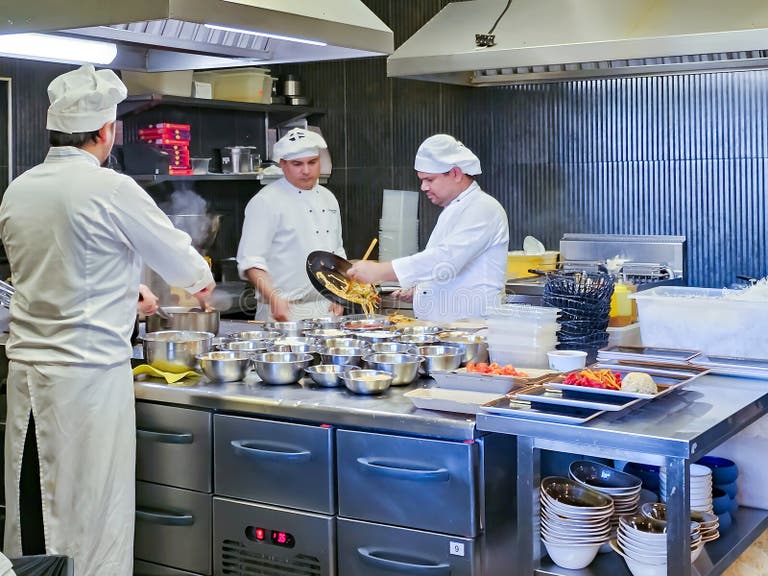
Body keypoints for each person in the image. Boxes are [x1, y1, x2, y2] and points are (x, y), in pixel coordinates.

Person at [0, 65, 215, 576]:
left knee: (32, 509)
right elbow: (188, 269)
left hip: (27, 375)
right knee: (88, 519)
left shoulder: (19, 189)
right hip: (87, 384)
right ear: (106, 131)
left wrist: (123, 291)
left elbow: (59, 271)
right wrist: (196, 284)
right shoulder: (111, 188)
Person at [348, 134, 509, 321]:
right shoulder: (456, 208)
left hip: (470, 329)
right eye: (421, 180)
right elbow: (446, 269)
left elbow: (446, 259)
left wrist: (380, 271)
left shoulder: (483, 208)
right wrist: (422, 290)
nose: (423, 187)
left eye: (429, 180)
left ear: (456, 173)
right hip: (448, 329)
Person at [237, 128, 346, 321]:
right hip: (282, 310)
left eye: (312, 162)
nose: (306, 170)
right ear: (283, 164)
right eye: (297, 164)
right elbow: (250, 261)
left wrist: (339, 292)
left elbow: (336, 252)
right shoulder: (266, 201)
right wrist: (273, 297)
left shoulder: (329, 198)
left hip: (326, 308)